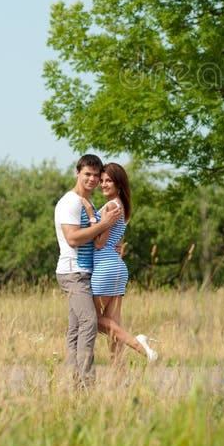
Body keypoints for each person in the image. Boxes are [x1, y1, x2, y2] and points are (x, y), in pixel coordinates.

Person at [55, 153, 122, 386]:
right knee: (90, 322)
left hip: (86, 272)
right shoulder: (70, 202)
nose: (93, 179)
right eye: (87, 174)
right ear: (77, 173)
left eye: (96, 175)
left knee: (76, 328)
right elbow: (73, 239)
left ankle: (73, 383)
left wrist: (112, 241)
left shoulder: (89, 203)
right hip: (73, 272)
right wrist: (104, 224)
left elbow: (95, 239)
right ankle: (85, 384)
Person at [90, 161, 158, 363]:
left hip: (105, 267)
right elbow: (113, 240)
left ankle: (139, 343)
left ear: (118, 183)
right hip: (117, 267)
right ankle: (118, 377)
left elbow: (100, 243)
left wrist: (92, 222)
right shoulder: (122, 205)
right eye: (101, 181)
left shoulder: (111, 206)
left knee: (92, 319)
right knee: (113, 326)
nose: (103, 184)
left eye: (108, 181)